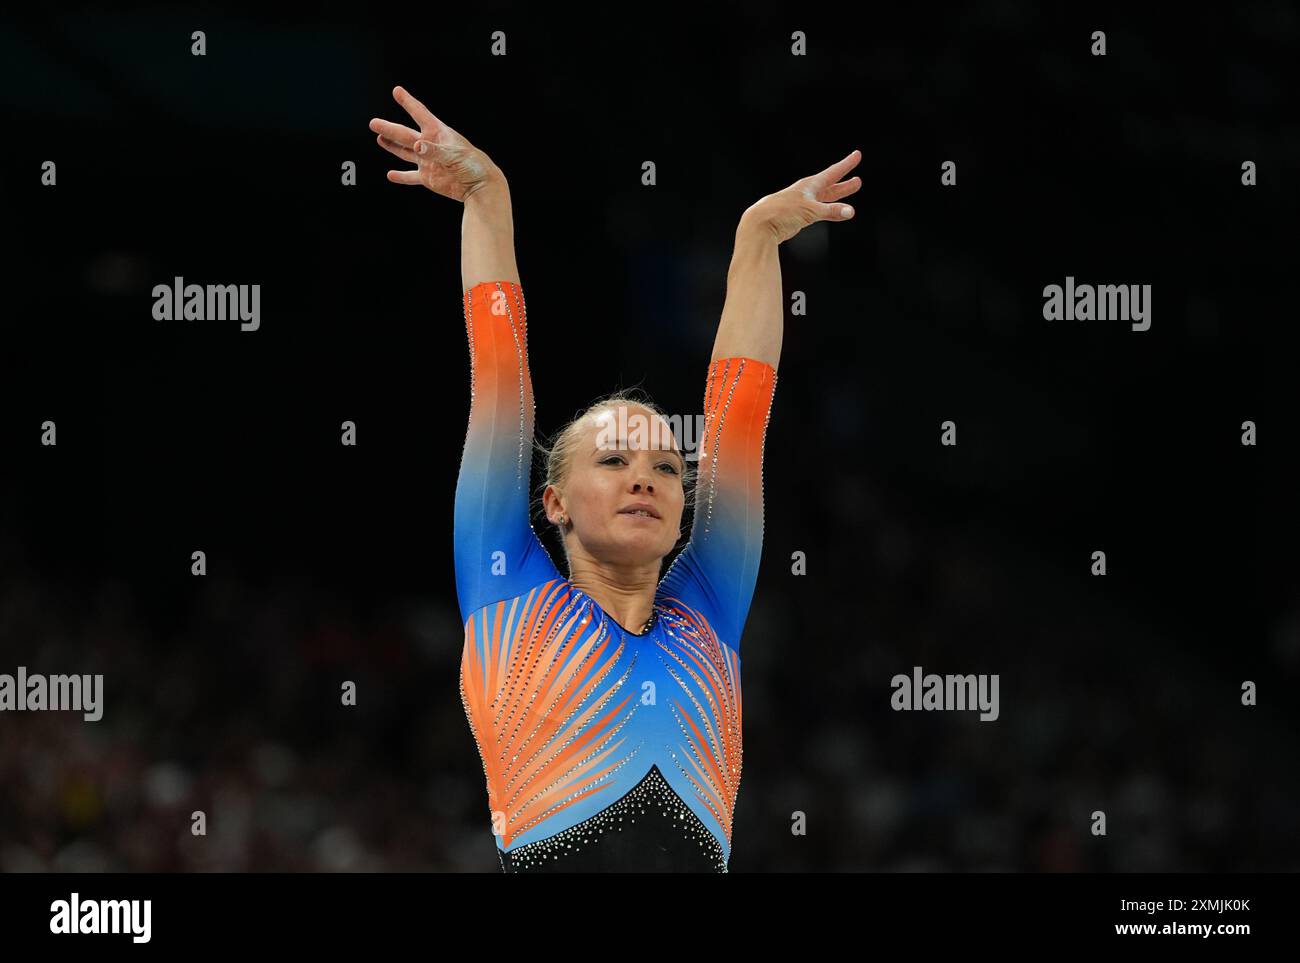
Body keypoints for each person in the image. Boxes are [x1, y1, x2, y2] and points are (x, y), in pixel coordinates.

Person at [369, 86, 859, 871]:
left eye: (667, 465)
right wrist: (487, 198)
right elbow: (500, 376)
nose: (647, 478)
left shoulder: (710, 611)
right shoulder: (506, 589)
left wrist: (758, 237)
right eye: (615, 459)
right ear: (552, 502)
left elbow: (738, 422)